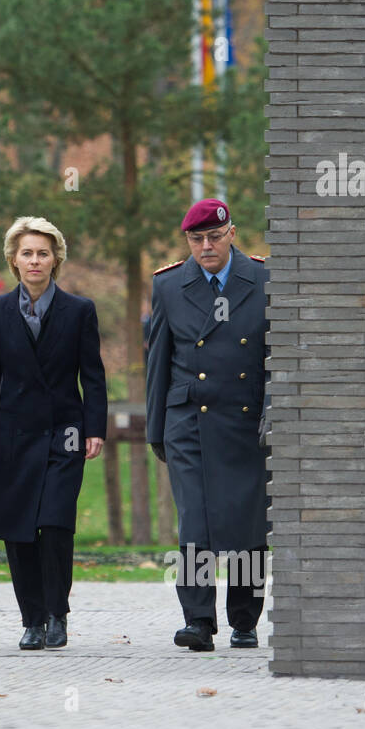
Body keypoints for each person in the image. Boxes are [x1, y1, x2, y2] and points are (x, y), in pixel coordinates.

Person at [0, 217, 107, 650]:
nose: (35, 260)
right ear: (14, 260)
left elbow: (94, 376)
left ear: (56, 260)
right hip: (11, 435)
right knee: (18, 528)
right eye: (27, 253)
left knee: (55, 523)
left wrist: (94, 429)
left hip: (64, 434)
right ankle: (31, 619)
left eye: (43, 253)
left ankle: (57, 614)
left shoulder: (79, 311)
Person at [145, 198, 269, 652]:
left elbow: (276, 356)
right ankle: (198, 620)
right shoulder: (169, 285)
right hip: (189, 422)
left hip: (245, 421)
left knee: (245, 526)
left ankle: (244, 619)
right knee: (194, 524)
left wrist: (272, 412)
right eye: (196, 239)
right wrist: (155, 427)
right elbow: (158, 360)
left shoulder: (262, 279)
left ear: (232, 233)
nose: (206, 246)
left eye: (214, 237)